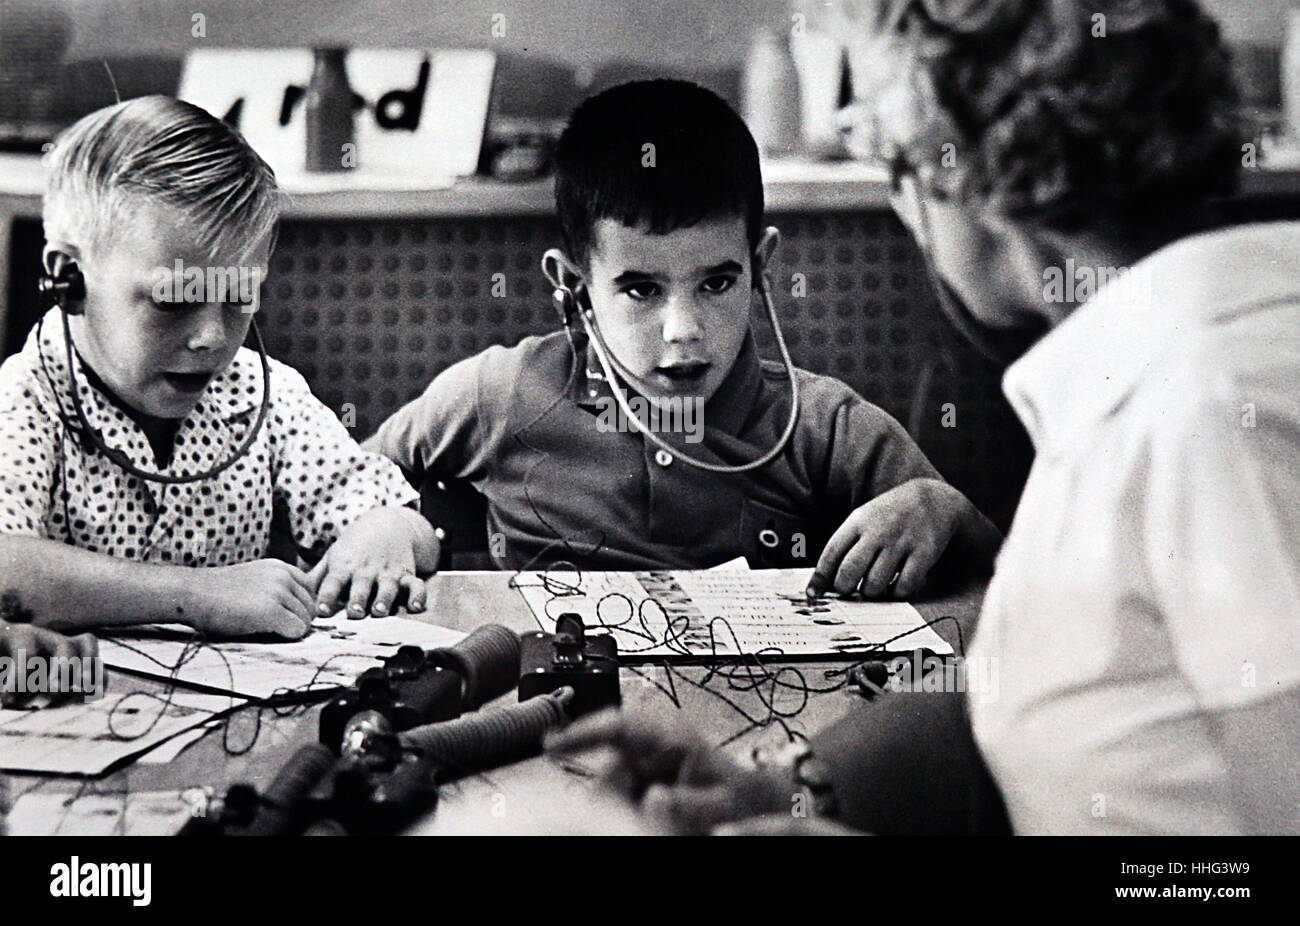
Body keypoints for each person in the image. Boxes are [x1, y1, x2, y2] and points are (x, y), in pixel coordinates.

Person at [547, 0, 1300, 836]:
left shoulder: (1210, 414)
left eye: (892, 163)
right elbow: (1040, 686)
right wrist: (788, 791)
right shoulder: (1165, 361)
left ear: (962, 179)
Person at [366, 79, 1000, 599]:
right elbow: (347, 482)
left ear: (761, 266)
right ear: (574, 285)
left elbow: (1000, 577)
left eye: (717, 283)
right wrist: (383, 522)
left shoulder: (825, 427)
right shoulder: (497, 394)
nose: (684, 330)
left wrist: (940, 509)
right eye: (641, 289)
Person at [0, 96, 440, 640]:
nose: (211, 337)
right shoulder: (25, 398)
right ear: (69, 279)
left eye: (237, 297)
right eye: (172, 299)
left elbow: (407, 524)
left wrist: (386, 531)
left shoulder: (265, 394)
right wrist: (197, 595)